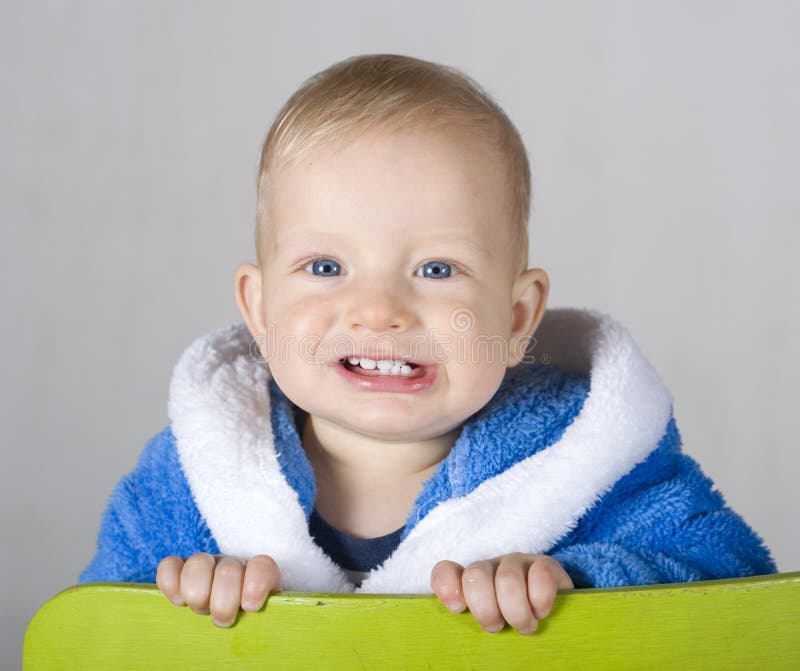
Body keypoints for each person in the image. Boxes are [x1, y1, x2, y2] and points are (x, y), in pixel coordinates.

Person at [80, 53, 776, 636]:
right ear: (259, 309)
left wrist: (578, 587)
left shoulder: (587, 459)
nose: (379, 310)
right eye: (326, 268)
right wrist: (179, 608)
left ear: (516, 316)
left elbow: (738, 588)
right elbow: (92, 632)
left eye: (435, 269)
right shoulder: (197, 476)